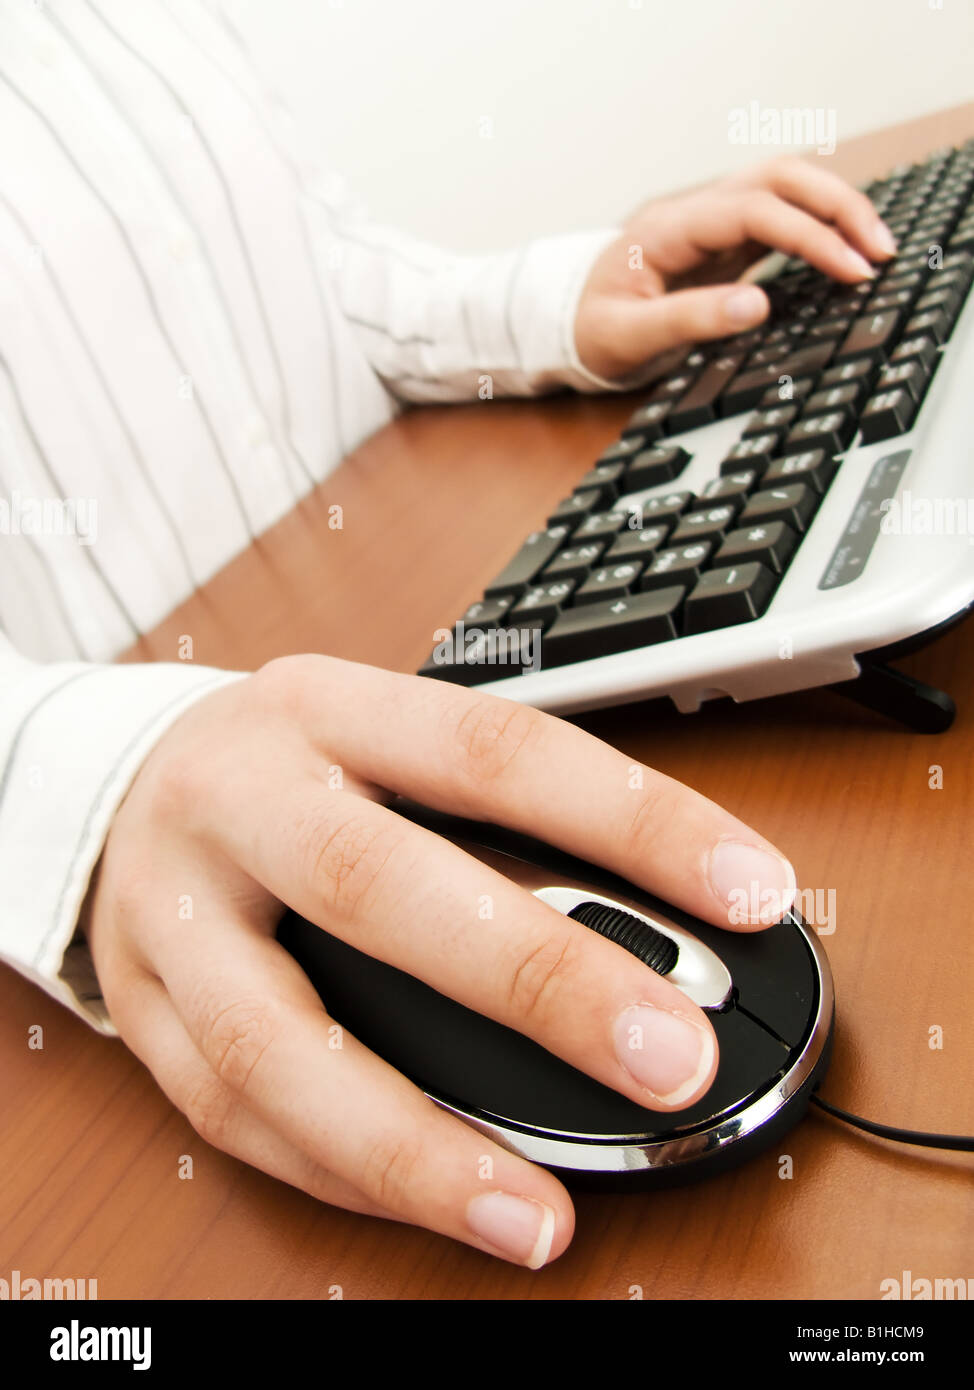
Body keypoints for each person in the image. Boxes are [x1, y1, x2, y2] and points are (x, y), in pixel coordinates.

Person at [0, 0, 895, 1271]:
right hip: (160, 821)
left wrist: (560, 300)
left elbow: (320, 277)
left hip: (397, 603)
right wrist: (100, 779)